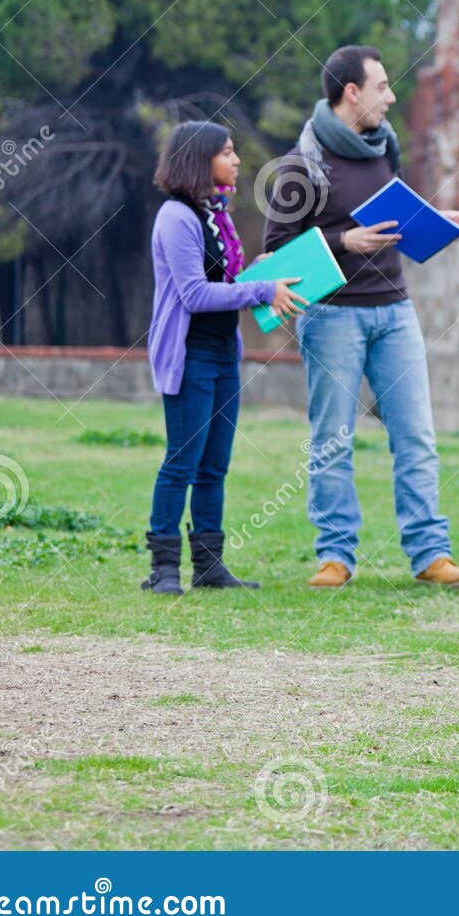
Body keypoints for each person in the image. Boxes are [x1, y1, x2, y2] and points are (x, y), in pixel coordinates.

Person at [263, 45, 459, 590]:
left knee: (416, 436)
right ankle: (336, 556)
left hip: (395, 310)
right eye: (382, 86)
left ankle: (431, 555)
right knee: (332, 438)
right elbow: (276, 257)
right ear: (350, 92)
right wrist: (342, 241)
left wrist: (433, 218)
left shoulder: (385, 146)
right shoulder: (299, 165)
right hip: (332, 317)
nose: (392, 96)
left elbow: (394, 210)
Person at [144, 121, 306, 594]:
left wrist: (262, 273)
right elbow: (194, 294)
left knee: (215, 465)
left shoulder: (217, 215)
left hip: (222, 354)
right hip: (189, 353)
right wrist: (259, 287)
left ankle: (209, 568)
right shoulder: (176, 217)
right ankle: (164, 569)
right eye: (227, 152)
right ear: (200, 159)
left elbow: (228, 284)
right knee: (183, 460)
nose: (237, 161)